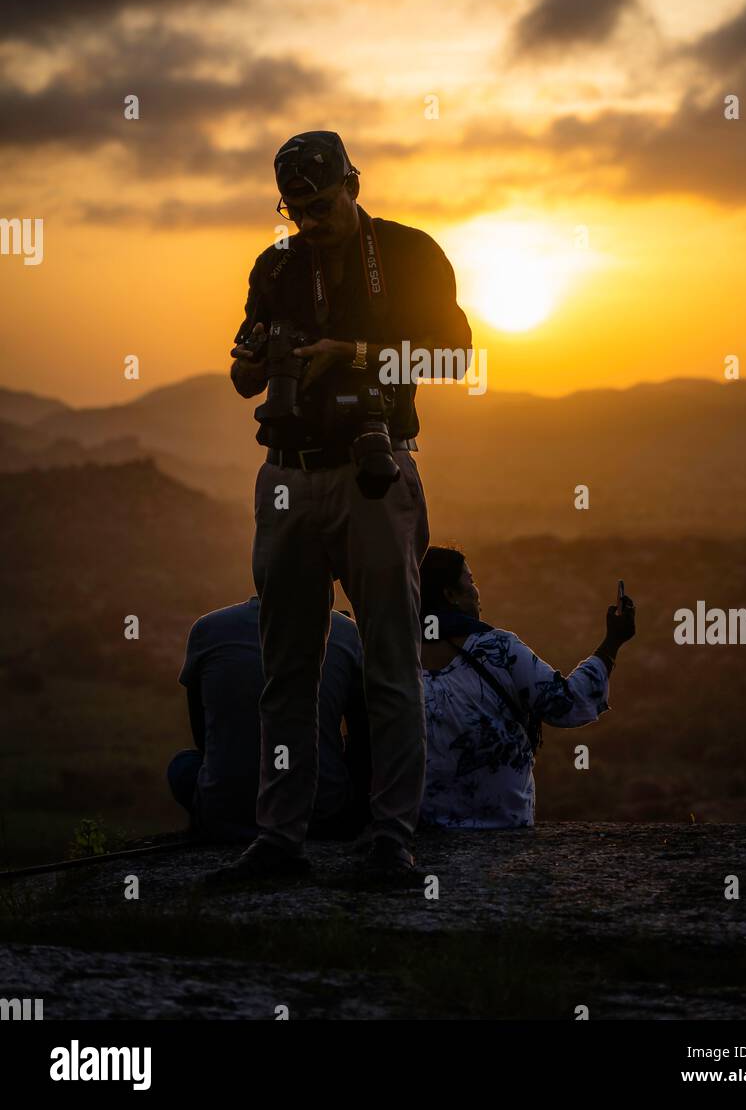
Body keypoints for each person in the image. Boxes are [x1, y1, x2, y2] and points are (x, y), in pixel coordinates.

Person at [208, 130, 471, 888]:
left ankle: (392, 838)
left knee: (389, 664)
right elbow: (241, 382)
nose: (308, 219)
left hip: (376, 473)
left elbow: (454, 356)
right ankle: (279, 837)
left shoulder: (411, 253)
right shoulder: (276, 265)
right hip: (287, 473)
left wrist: (351, 355)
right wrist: (257, 363)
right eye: (294, 208)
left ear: (354, 183)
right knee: (284, 671)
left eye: (320, 203)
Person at [418, 546, 635, 828]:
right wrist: (612, 643)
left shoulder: (391, 654)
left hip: (422, 834)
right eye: (470, 581)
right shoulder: (498, 649)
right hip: (501, 831)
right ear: (451, 595)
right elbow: (566, 704)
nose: (477, 591)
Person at [168, 599, 370, 843]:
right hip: (323, 817)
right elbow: (364, 740)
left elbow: (203, 738)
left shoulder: (207, 628)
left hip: (225, 817)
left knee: (183, 765)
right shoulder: (347, 631)